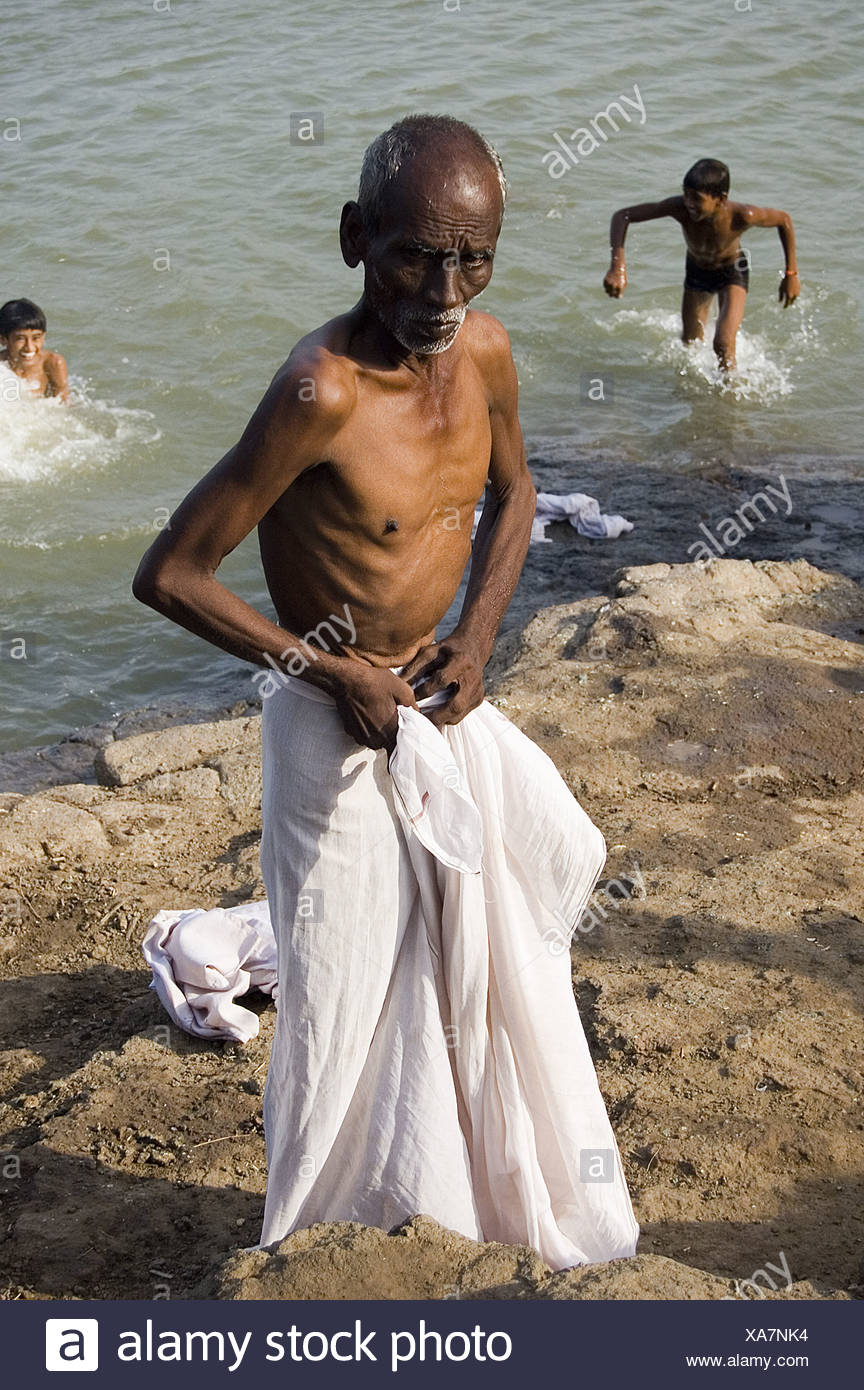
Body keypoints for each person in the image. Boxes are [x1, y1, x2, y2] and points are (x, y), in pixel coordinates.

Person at [133, 113, 639, 1270]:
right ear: (357, 237)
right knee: (345, 1000)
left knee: (499, 934)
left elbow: (515, 495)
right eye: (415, 255)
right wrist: (328, 669)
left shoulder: (492, 355)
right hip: (331, 728)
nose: (444, 289)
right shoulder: (320, 392)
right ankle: (315, 1242)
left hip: (441, 704)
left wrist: (479, 635)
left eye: (475, 258)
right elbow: (169, 571)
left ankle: (457, 1195)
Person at [603, 158, 800, 372]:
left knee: (723, 343)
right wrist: (617, 267)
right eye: (686, 194)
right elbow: (622, 216)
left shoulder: (743, 215)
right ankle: (696, 398)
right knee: (690, 345)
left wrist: (791, 274)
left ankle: (731, 393)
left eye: (696, 198)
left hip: (732, 271)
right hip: (697, 271)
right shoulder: (679, 208)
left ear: (721, 199)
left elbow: (784, 220)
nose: (689, 203)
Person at [0, 298, 69, 401]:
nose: (29, 347)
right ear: (3, 339)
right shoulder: (2, 366)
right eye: (20, 339)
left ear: (43, 336)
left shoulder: (52, 363)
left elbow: (65, 405)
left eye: (36, 338)